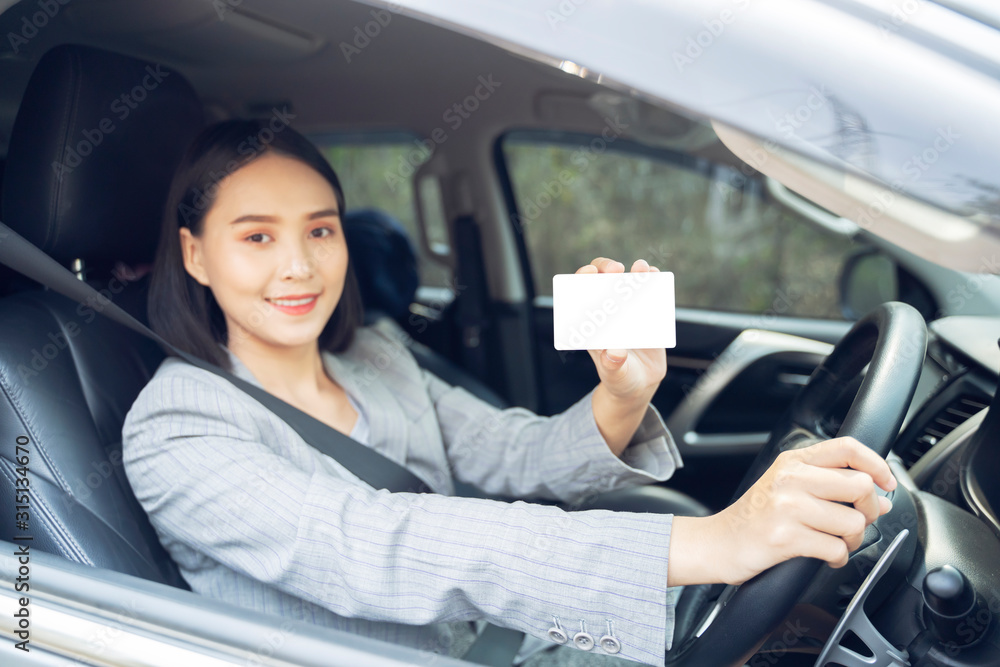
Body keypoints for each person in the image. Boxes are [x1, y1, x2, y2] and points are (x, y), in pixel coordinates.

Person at [121, 119, 896, 667]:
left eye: (320, 230)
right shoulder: (176, 428)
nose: (299, 265)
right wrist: (714, 542)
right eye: (257, 236)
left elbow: (512, 452)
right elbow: (381, 545)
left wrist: (623, 393)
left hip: (501, 638)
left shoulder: (373, 354)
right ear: (195, 254)